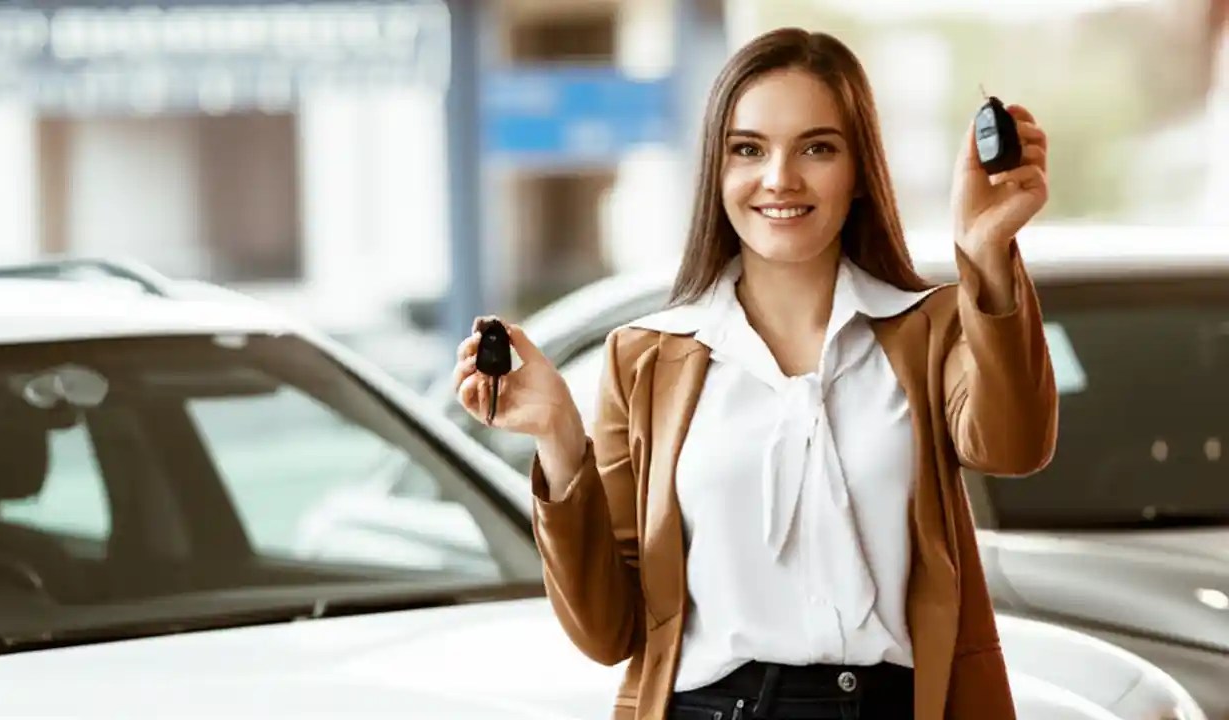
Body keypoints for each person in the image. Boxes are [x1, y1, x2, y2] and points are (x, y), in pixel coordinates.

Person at [453, 27, 1057, 720]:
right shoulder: (643, 359)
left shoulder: (928, 329)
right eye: (748, 149)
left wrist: (985, 249)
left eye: (817, 148)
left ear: (860, 173)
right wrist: (559, 439)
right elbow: (607, 631)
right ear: (716, 168)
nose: (779, 178)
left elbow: (1014, 446)